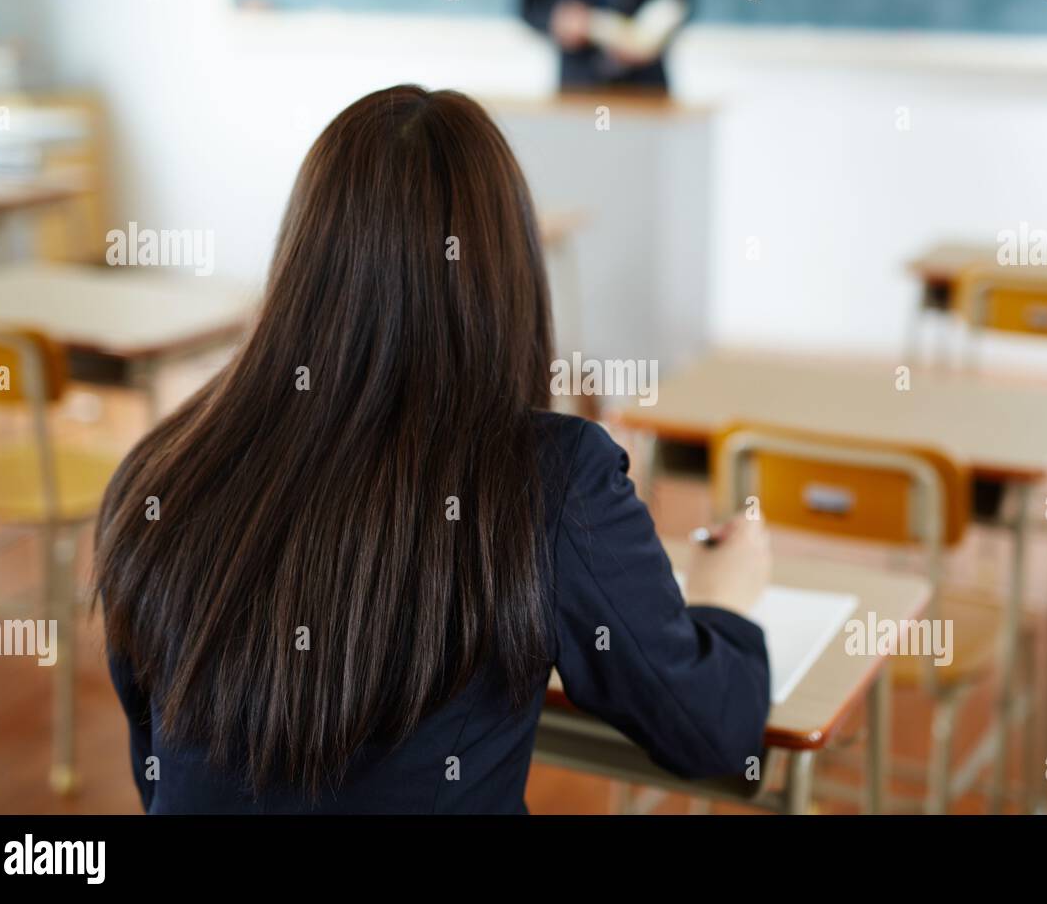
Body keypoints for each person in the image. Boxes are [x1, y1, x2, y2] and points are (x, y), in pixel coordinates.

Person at [93, 85, 770, 813]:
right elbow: (709, 729)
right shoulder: (551, 479)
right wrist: (725, 602)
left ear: (300, 255)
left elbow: (157, 775)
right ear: (507, 269)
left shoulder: (160, 471)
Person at [521, 0, 687, 90]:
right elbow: (530, 6)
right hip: (579, 82)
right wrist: (557, 19)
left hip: (645, 81)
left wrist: (651, 35)